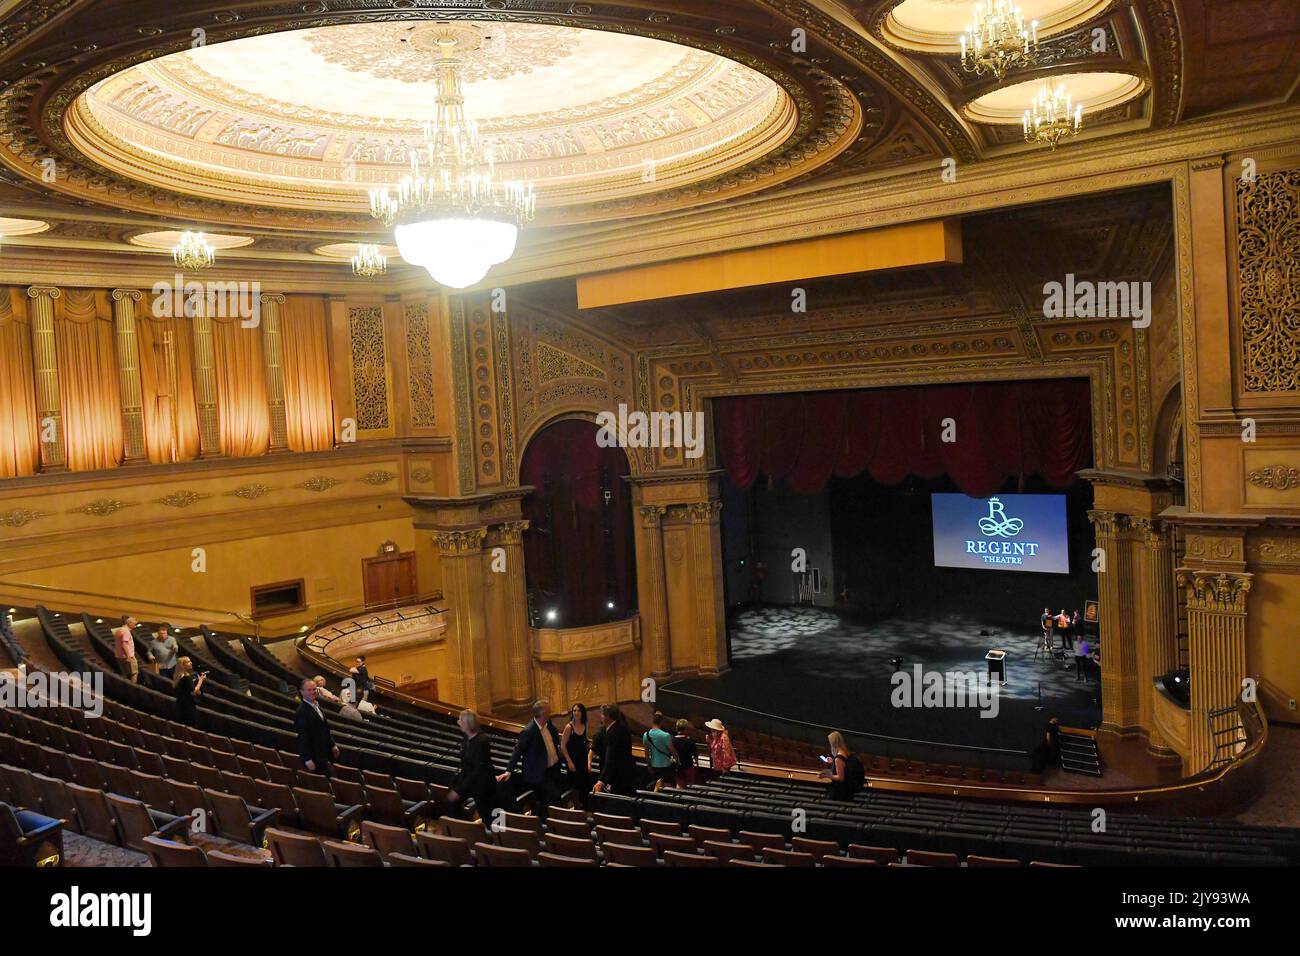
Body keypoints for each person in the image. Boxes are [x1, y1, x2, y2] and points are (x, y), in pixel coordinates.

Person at [498, 699, 564, 812]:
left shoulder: (549, 725)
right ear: (542, 715)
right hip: (540, 773)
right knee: (552, 798)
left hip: (554, 770)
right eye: (549, 712)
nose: (550, 713)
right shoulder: (528, 731)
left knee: (556, 797)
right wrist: (509, 770)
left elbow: (554, 741)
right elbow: (517, 751)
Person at [448, 709, 497, 821]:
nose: (458, 722)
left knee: (488, 816)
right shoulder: (466, 737)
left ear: (467, 724)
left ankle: (494, 836)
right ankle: (463, 829)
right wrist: (457, 788)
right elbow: (465, 764)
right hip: (470, 781)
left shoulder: (482, 741)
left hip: (483, 785)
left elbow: (478, 770)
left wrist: (460, 790)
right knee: (451, 801)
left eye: (460, 720)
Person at [295, 678, 339, 776]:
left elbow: (324, 728)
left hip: (323, 753)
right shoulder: (302, 712)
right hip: (315, 758)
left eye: (314, 689)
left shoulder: (316, 705)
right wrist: (307, 759)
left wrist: (332, 744)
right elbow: (302, 737)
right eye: (309, 690)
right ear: (302, 692)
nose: (312, 692)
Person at [592, 703, 636, 796]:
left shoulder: (613, 733)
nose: (601, 717)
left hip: (620, 776)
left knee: (620, 804)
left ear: (608, 717)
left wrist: (601, 781)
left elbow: (610, 759)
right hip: (628, 772)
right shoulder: (622, 727)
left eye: (602, 714)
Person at [821, 731, 864, 801]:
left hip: (840, 792)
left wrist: (827, 775)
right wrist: (833, 761)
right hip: (847, 790)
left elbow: (840, 778)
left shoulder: (838, 758)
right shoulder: (845, 752)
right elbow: (844, 766)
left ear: (833, 743)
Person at [642, 711, 678, 790]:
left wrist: (649, 765)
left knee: (657, 785)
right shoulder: (665, 735)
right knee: (667, 785)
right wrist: (677, 759)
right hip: (666, 765)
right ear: (661, 722)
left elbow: (647, 754)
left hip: (654, 765)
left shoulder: (646, 735)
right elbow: (672, 750)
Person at [560, 702, 590, 795]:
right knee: (573, 783)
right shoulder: (569, 727)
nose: (576, 713)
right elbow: (563, 745)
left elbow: (585, 739)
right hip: (573, 759)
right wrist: (569, 761)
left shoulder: (584, 724)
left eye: (578, 711)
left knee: (583, 783)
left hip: (582, 758)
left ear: (582, 713)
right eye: (574, 710)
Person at [172, 657, 206, 726]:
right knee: (190, 725)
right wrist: (201, 680)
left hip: (180, 704)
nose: (191, 663)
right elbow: (193, 692)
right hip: (188, 706)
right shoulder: (186, 677)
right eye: (188, 662)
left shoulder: (178, 675)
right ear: (183, 665)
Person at [672, 719, 699, 788]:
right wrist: (696, 763)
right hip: (688, 766)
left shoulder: (672, 741)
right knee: (690, 785)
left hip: (677, 766)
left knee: (679, 784)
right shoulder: (690, 741)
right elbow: (695, 755)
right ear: (686, 729)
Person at [113, 617, 140, 683]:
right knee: (134, 673)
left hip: (119, 656)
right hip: (128, 657)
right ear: (129, 623)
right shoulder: (126, 632)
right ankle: (132, 690)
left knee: (124, 674)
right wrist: (128, 657)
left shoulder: (119, 630)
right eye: (134, 624)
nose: (135, 626)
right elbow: (124, 644)